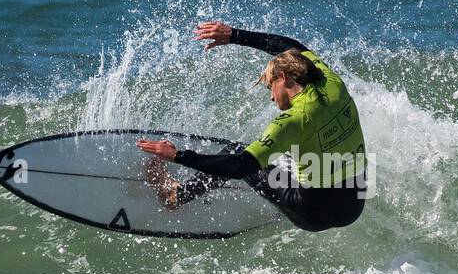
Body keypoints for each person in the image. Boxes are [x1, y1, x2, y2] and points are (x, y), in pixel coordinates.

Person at [136, 21, 366, 232]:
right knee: (295, 155)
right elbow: (292, 46)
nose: (272, 99)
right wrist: (235, 35)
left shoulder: (292, 120)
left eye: (270, 87)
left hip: (313, 215)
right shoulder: (332, 82)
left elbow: (240, 166)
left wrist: (179, 156)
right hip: (355, 205)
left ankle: (175, 196)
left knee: (235, 152)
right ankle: (285, 196)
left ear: (284, 78)